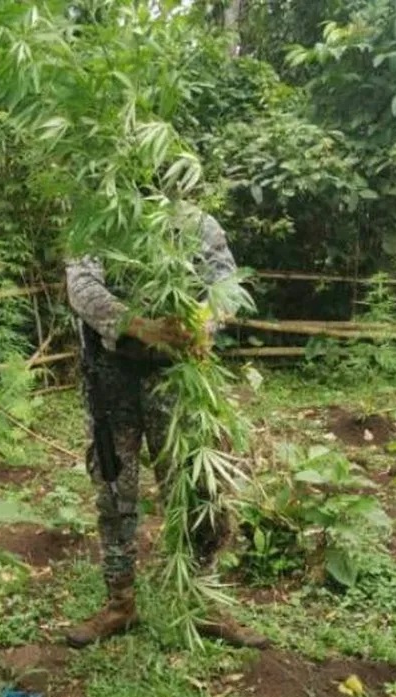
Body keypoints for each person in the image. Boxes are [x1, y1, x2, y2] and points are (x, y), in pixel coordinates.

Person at [63, 203, 268, 649]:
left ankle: (201, 602)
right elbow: (81, 289)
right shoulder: (98, 220)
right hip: (112, 377)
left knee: (194, 490)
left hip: (177, 378)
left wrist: (202, 325)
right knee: (115, 490)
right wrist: (140, 326)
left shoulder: (197, 224)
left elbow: (226, 285)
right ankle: (120, 604)